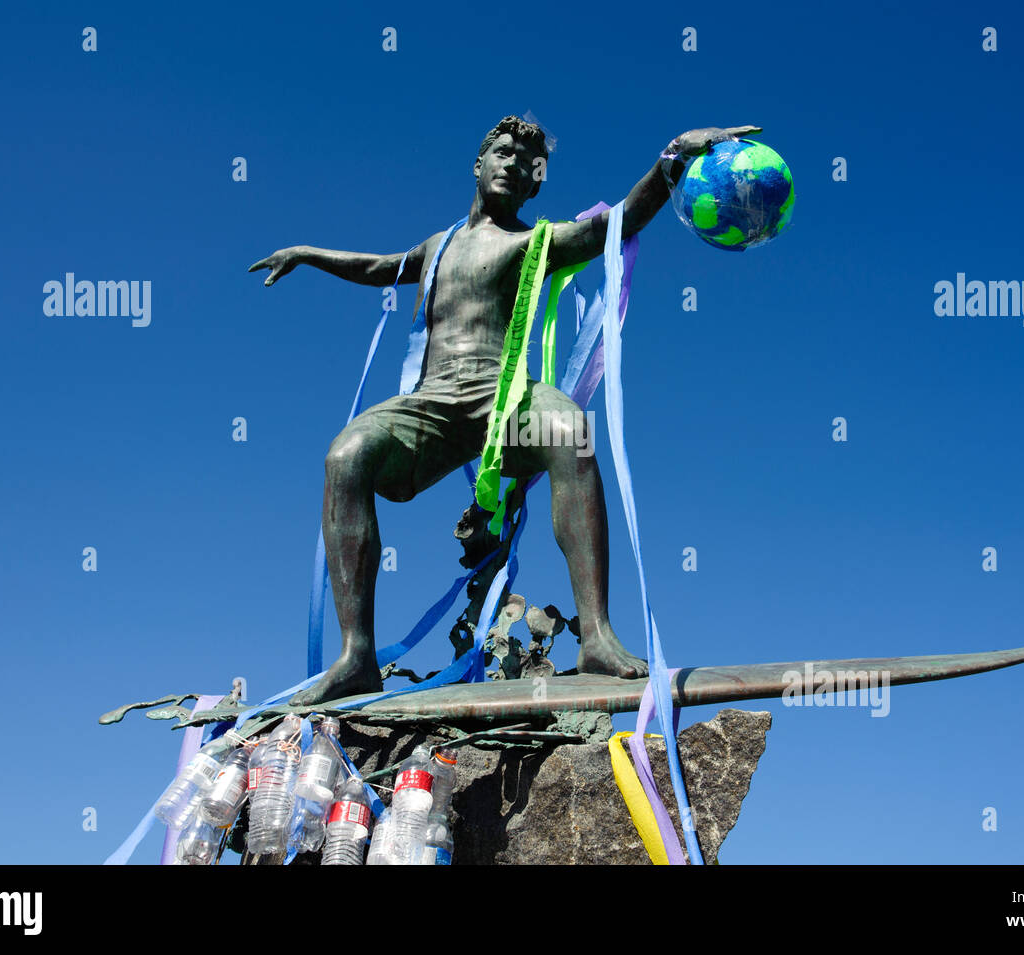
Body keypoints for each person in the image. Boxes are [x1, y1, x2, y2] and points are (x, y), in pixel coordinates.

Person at [250, 116, 760, 705]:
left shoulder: (535, 241)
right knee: (347, 455)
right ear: (478, 163)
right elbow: (376, 268)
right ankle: (356, 656)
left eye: (525, 162)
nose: (511, 163)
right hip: (434, 402)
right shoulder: (437, 247)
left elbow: (613, 226)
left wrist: (671, 160)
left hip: (505, 392)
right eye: (501, 151)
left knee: (570, 430)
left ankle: (596, 635)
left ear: (534, 184)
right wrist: (309, 253)